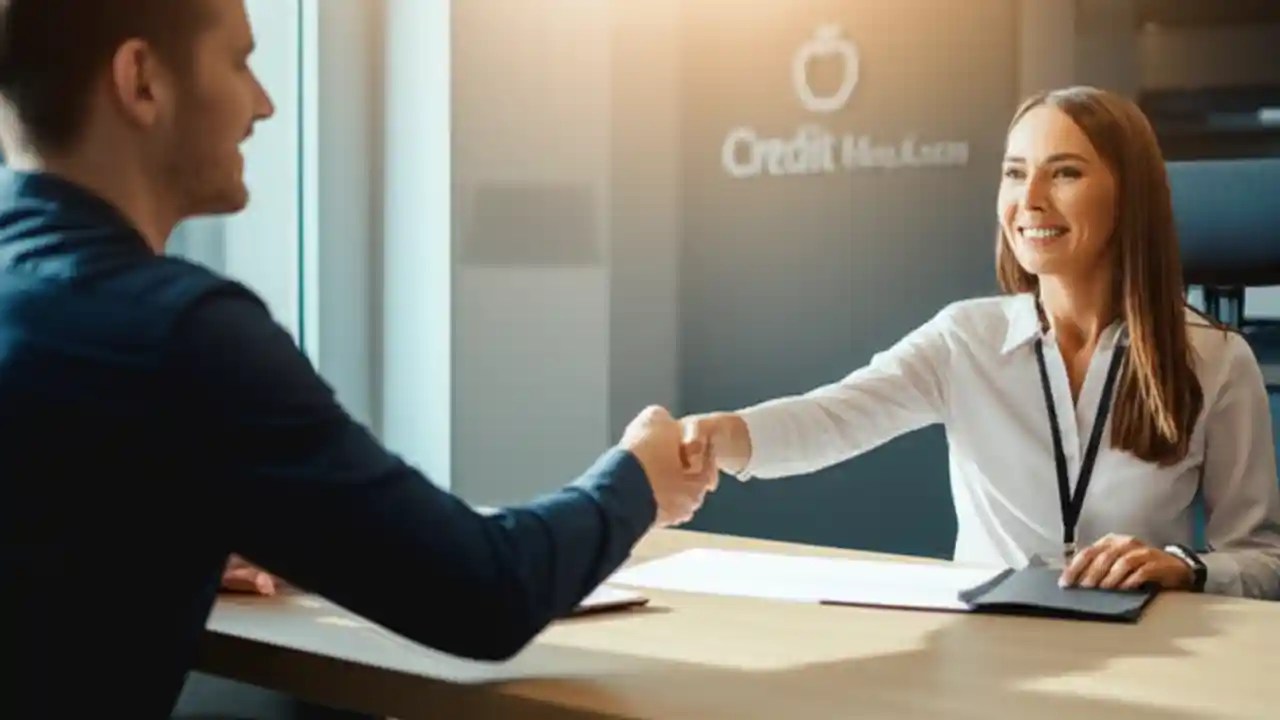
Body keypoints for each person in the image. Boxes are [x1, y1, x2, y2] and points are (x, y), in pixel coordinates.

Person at [0, 0, 716, 716]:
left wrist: (158, 534)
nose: (265, 104)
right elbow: (485, 593)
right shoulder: (177, 335)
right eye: (241, 61)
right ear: (142, 79)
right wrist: (637, 478)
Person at [681, 86, 1280, 600]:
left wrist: (1185, 566)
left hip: (1139, 644)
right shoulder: (965, 339)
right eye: (1016, 172)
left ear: (1129, 197)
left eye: (1066, 171)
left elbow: (1263, 560)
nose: (1031, 198)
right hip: (985, 646)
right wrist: (717, 438)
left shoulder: (1216, 359)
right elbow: (835, 417)